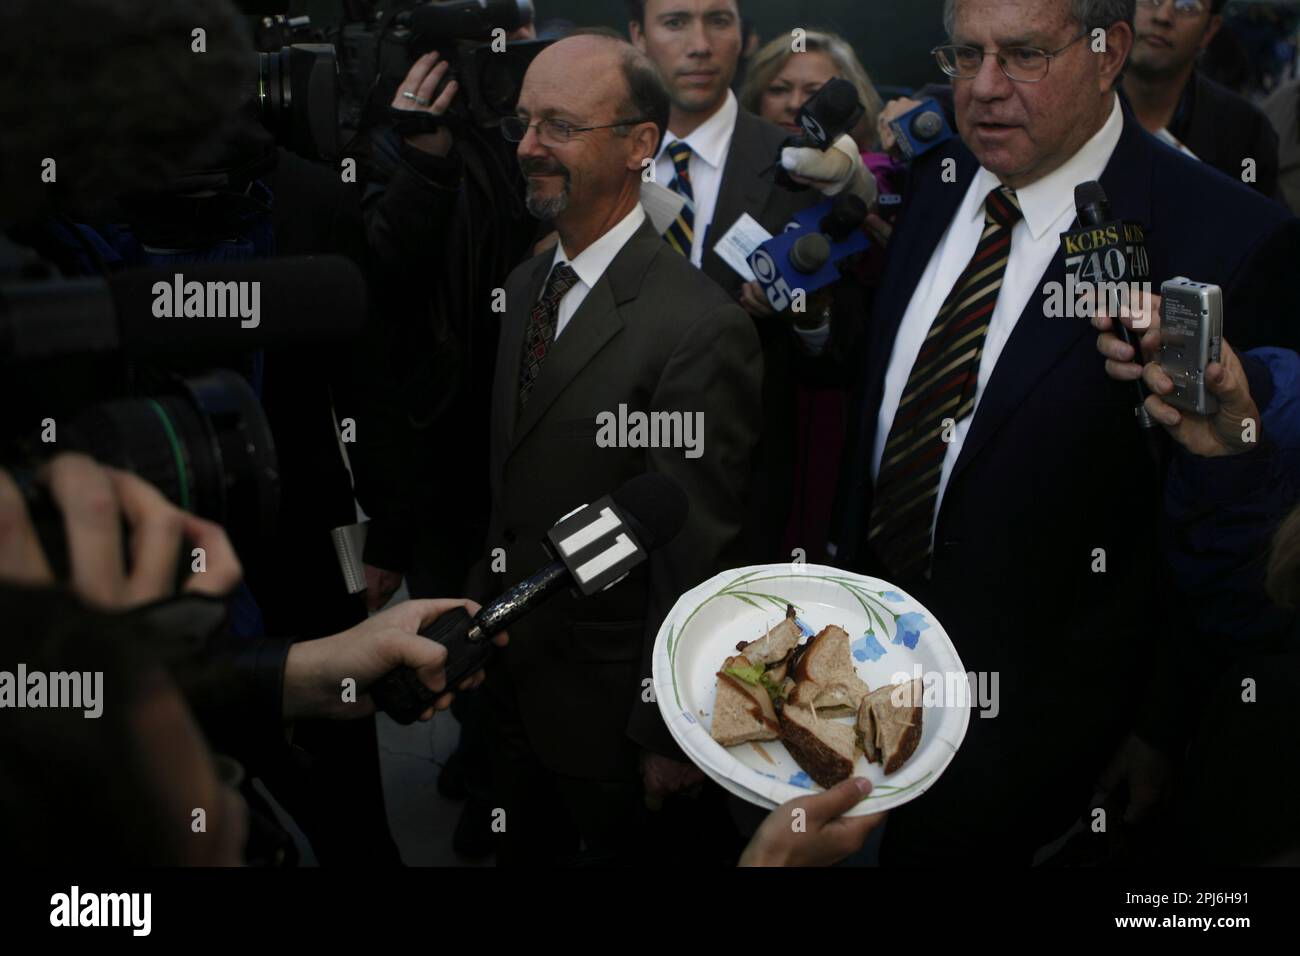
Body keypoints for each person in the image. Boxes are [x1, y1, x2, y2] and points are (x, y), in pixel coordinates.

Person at [827, 0, 1300, 865]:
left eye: (1024, 56)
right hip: (860, 683)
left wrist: (1161, 726)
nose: (983, 89)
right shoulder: (934, 182)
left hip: (1053, 749)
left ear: (1109, 50)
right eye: (964, 55)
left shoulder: (1229, 238)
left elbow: (1238, 520)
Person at [468, 32, 762, 864]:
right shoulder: (527, 282)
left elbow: (697, 550)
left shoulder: (700, 329)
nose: (528, 147)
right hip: (511, 687)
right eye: (523, 122)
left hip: (609, 714)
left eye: (558, 125)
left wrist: (669, 727)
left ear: (640, 146)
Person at [627, 0, 875, 560]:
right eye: (674, 22)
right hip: (609, 464)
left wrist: (806, 311)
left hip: (744, 492)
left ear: (744, 37)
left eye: (718, 20)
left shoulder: (803, 167)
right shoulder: (606, 154)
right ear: (638, 37)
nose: (699, 43)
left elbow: (844, 354)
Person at [1122, 0, 1281, 198]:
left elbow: (1263, 220)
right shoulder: (1079, 105)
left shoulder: (1246, 132)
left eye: (1187, 6)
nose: (1163, 16)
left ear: (1209, 30)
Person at [739, 30, 884, 153]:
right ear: (756, 97)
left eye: (815, 92)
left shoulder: (877, 179)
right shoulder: (729, 164)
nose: (795, 104)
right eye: (779, 89)